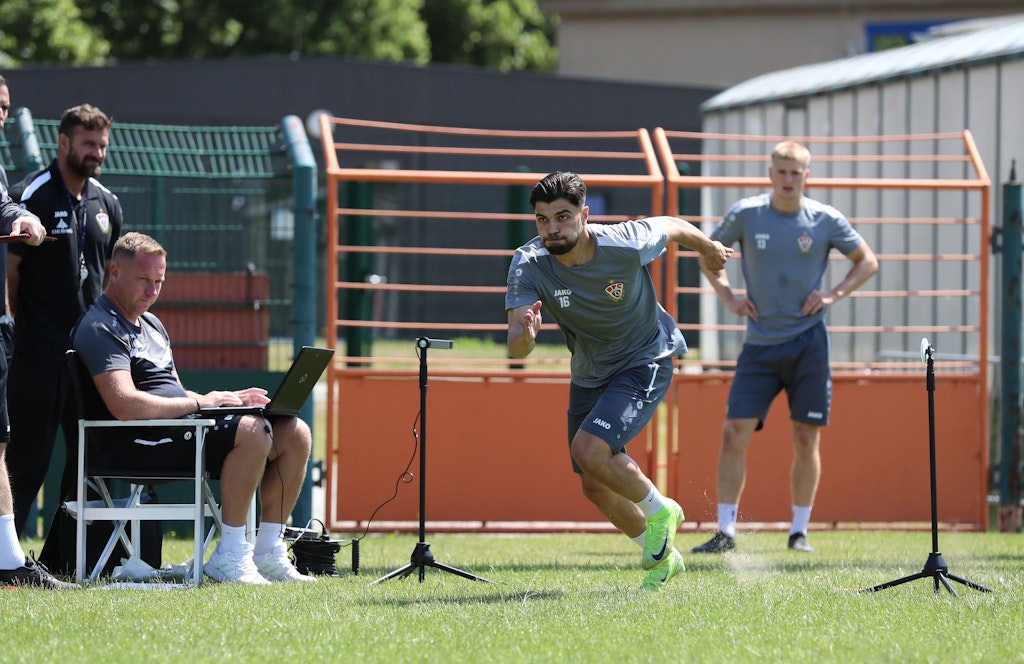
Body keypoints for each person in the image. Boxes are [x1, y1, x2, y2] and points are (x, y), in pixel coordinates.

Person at [506, 171, 732, 591]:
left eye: (563, 216)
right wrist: (527, 335)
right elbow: (517, 348)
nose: (552, 228)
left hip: (645, 357)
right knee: (593, 482)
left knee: (590, 449)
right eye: (542, 220)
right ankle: (664, 557)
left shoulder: (625, 241)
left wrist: (710, 248)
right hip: (591, 371)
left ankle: (662, 509)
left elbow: (674, 225)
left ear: (585, 215)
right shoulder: (528, 262)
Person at [73, 232, 315, 584]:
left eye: (159, 281)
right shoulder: (101, 326)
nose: (152, 290)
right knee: (251, 431)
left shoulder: (153, 324)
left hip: (175, 431)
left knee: (294, 433)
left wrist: (224, 399)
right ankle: (230, 555)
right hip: (133, 443)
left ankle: (267, 552)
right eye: (143, 280)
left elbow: (174, 393)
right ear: (114, 272)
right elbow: (123, 404)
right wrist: (203, 403)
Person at [691, 140, 878, 554]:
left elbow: (867, 261)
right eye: (782, 171)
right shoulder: (746, 213)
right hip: (758, 345)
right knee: (733, 432)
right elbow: (706, 255)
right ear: (770, 173)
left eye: (797, 172)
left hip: (809, 344)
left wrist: (833, 294)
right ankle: (725, 532)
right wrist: (728, 298)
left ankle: (799, 533)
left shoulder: (825, 220)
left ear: (807, 176)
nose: (789, 179)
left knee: (805, 437)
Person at [6, 103, 124, 537]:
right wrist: (19, 329)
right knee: (26, 458)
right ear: (63, 143)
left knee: (88, 462)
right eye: (88, 143)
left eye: (102, 145)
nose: (96, 152)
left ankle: (69, 556)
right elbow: (10, 273)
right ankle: (7, 555)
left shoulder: (106, 202)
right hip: (35, 355)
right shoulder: (31, 194)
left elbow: (112, 278)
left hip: (89, 362)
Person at [0, 73, 78, 588]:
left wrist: (21, 216)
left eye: (4, 106)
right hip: (29, 346)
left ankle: (9, 561)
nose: (0, 115)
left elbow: (2, 205)